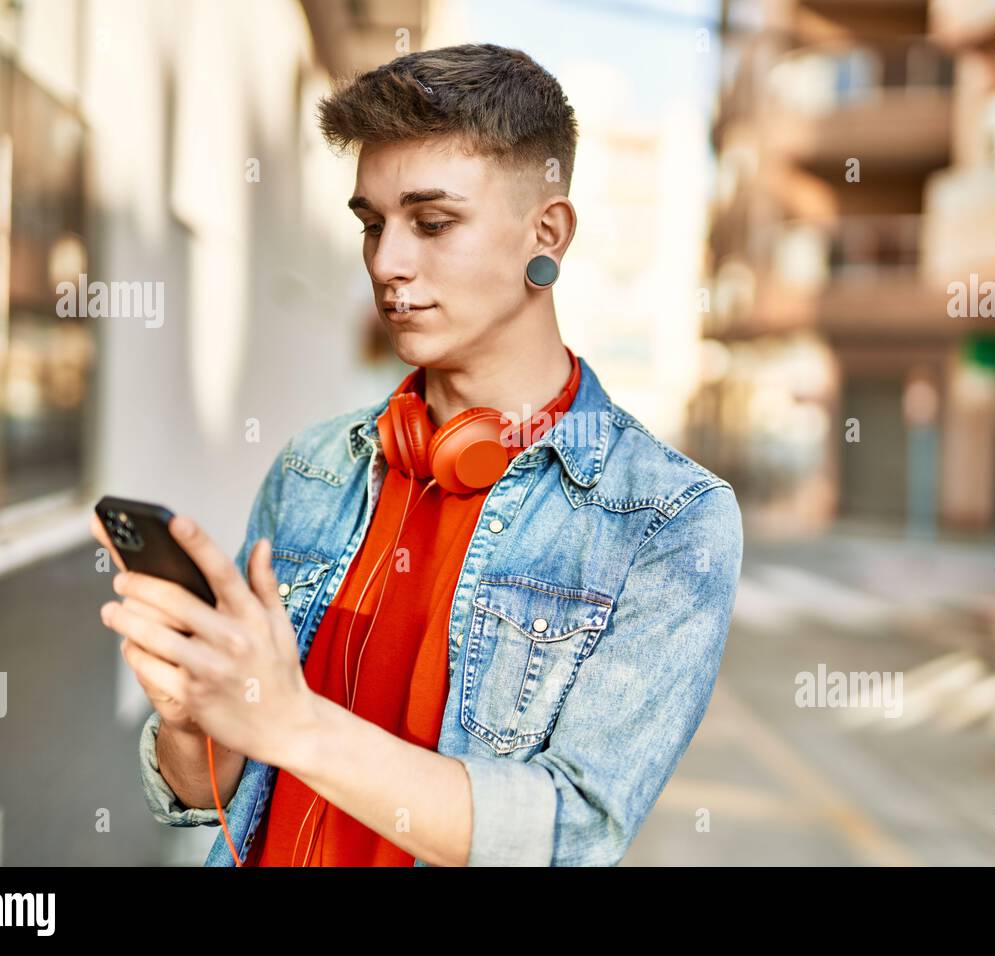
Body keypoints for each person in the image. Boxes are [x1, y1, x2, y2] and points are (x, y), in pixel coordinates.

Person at [94, 42, 743, 867]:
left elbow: (567, 833)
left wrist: (294, 722)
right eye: (372, 225)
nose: (388, 264)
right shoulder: (312, 468)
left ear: (547, 233)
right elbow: (212, 795)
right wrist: (197, 722)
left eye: (433, 223)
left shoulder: (669, 521)